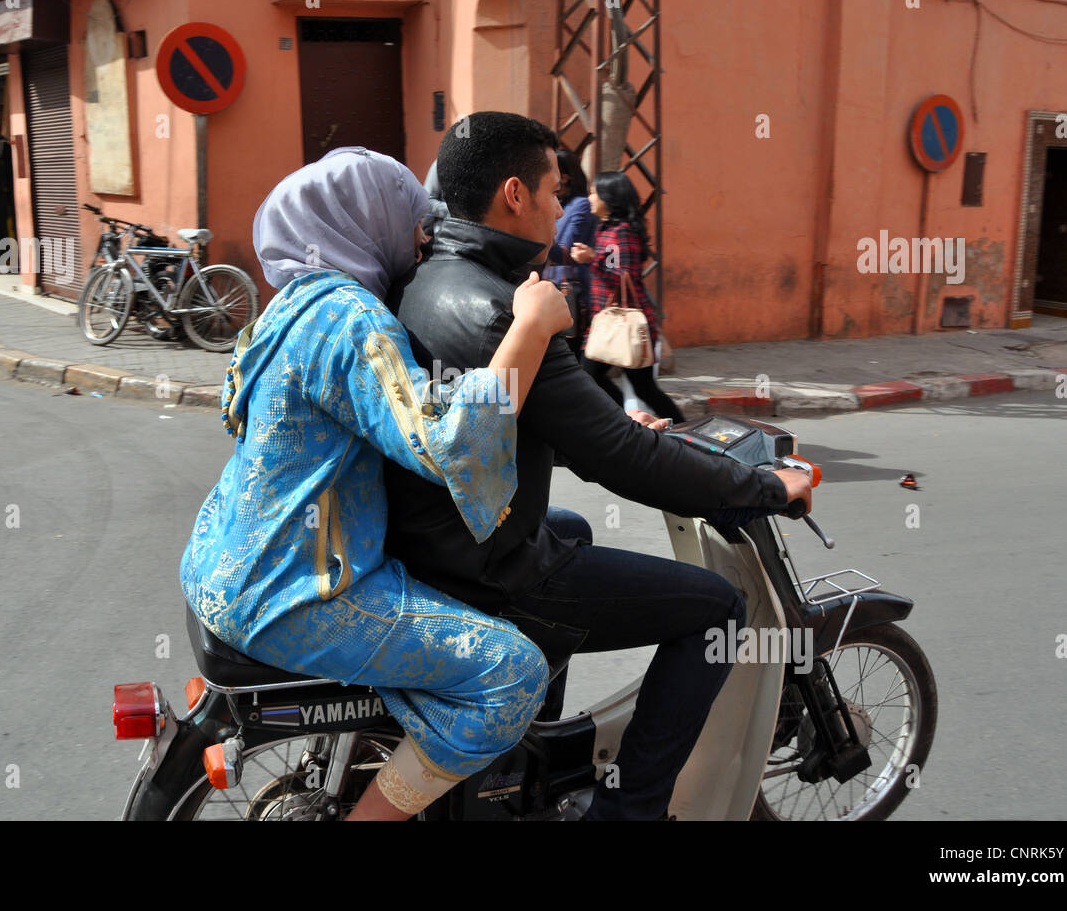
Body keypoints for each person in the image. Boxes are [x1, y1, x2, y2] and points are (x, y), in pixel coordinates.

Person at [384, 111, 813, 821]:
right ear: (515, 194)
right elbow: (619, 458)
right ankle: (629, 810)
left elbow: (545, 424)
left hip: (437, 544)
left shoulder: (429, 277)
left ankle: (525, 747)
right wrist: (765, 486)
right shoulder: (511, 308)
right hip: (487, 570)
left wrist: (618, 423)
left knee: (573, 526)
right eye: (555, 192)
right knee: (717, 609)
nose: (563, 209)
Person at [179, 147, 573, 821]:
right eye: (411, 224)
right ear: (368, 223)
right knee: (514, 673)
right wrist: (531, 325)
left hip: (222, 568)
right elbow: (449, 444)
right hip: (295, 594)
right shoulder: (349, 317)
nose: (422, 242)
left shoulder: (286, 305)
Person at [571, 170, 683, 421]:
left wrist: (592, 259)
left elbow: (624, 277)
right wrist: (593, 256)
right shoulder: (607, 229)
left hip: (624, 324)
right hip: (609, 321)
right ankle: (626, 420)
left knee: (636, 387)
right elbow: (612, 265)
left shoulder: (621, 231)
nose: (589, 198)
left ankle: (682, 431)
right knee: (597, 378)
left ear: (609, 197)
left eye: (593, 193)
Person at [543, 150, 597, 356]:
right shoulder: (560, 203)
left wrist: (535, 231)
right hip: (553, 287)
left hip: (572, 291)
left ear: (565, 177)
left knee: (573, 360)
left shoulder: (581, 205)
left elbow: (565, 252)